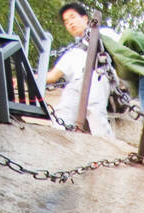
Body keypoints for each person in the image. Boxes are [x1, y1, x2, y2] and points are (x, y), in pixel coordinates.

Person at [44, 3, 114, 138]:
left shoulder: (104, 33)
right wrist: (24, 79)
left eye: (72, 17)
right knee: (63, 112)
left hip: (99, 74)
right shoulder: (71, 52)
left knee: (94, 109)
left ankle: (105, 145)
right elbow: (52, 76)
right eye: (66, 21)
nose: (70, 23)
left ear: (85, 18)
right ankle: (60, 143)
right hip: (76, 83)